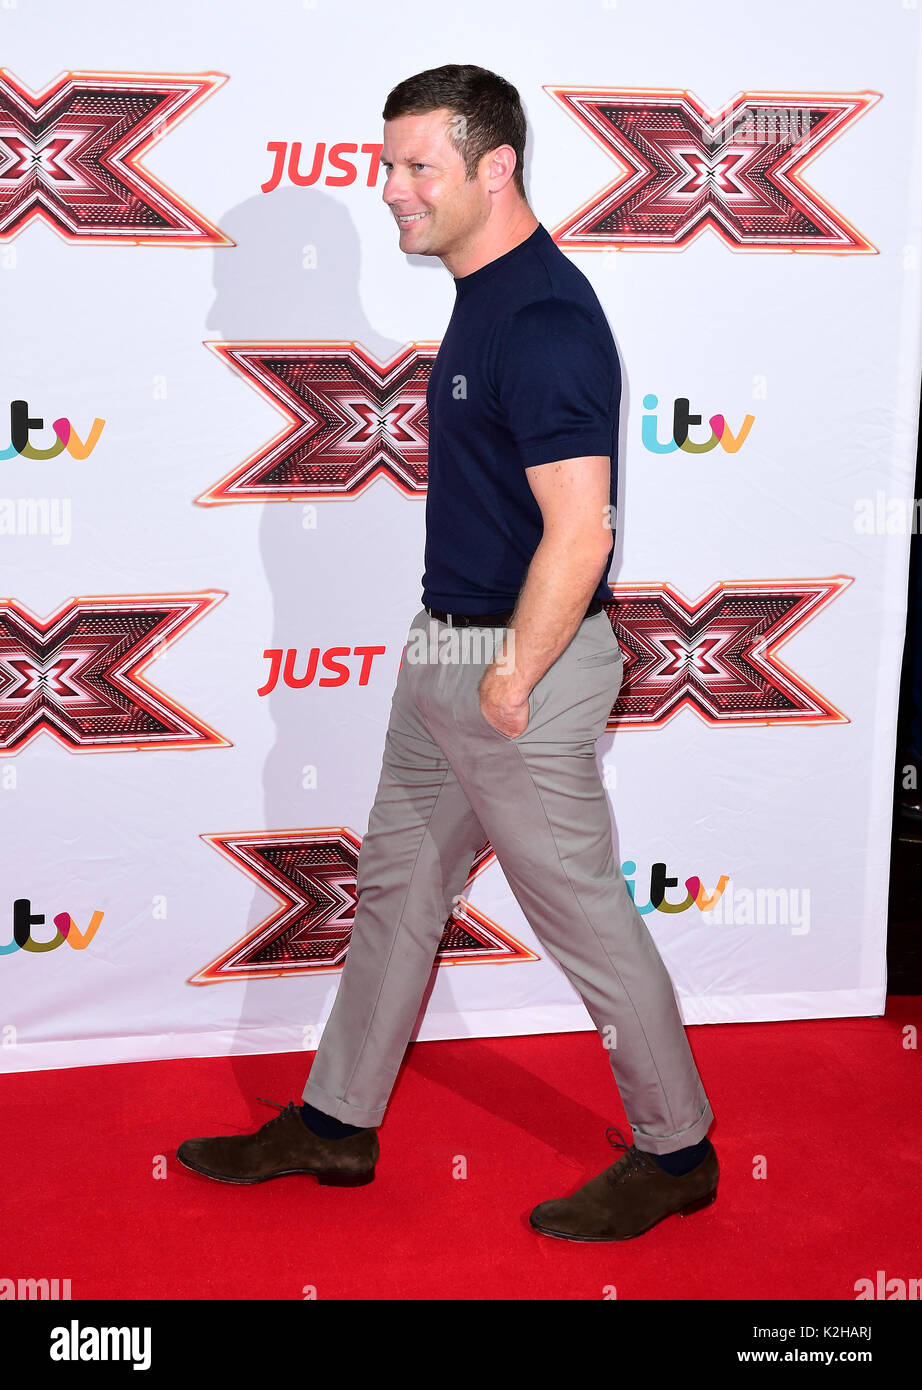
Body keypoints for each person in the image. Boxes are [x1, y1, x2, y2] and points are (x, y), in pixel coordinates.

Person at [178, 64, 717, 1242]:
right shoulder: (481, 293)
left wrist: (512, 675)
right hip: (447, 662)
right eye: (385, 165)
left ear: (494, 167)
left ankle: (678, 1151)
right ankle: (336, 1120)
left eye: (416, 167)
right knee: (395, 891)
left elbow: (582, 528)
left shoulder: (541, 316)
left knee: (583, 916)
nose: (391, 191)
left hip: (516, 669)